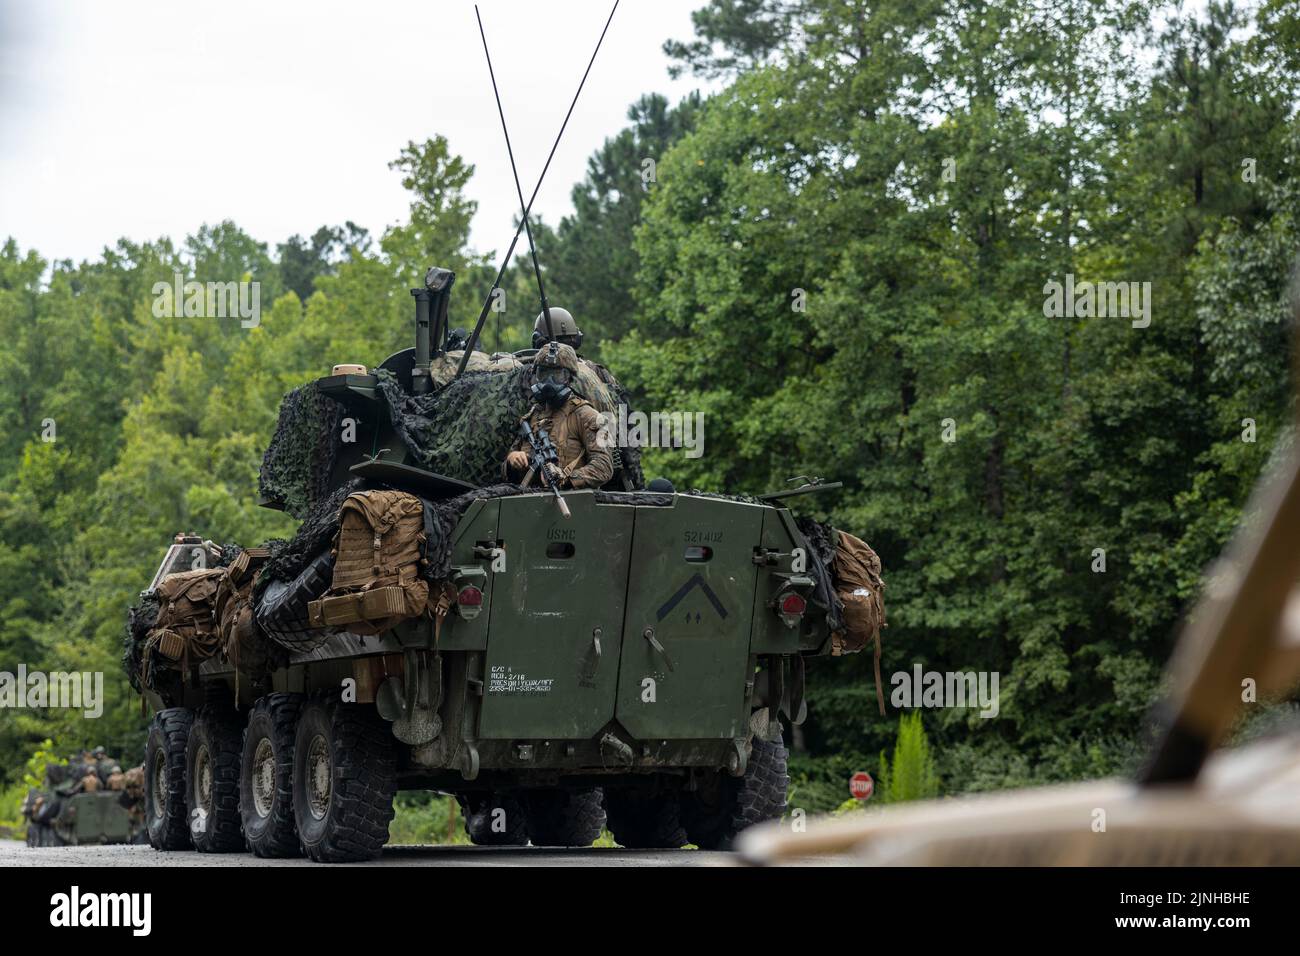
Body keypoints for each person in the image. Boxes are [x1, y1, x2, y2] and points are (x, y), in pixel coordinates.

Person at [504, 342, 613, 490]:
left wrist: (566, 478)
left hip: (574, 501)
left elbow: (603, 467)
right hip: (529, 501)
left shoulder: (586, 416)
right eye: (543, 374)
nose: (549, 382)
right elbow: (506, 468)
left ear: (569, 378)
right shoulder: (531, 418)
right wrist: (512, 459)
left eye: (556, 375)